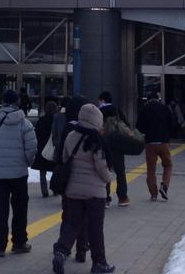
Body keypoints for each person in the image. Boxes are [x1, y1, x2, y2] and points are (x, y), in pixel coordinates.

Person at [51, 103, 116, 274]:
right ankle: (99, 263)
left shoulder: (71, 136)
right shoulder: (96, 140)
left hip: (73, 190)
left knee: (72, 224)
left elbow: (65, 158)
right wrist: (110, 179)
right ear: (97, 120)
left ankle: (60, 252)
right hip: (95, 194)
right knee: (95, 229)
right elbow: (102, 168)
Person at [0, 89, 39, 257]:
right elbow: (32, 148)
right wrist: (26, 162)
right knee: (20, 209)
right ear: (17, 102)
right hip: (19, 174)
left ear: (3, 103)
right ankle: (19, 242)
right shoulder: (25, 124)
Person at [136, 92, 174, 201]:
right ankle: (164, 186)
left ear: (147, 99)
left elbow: (139, 128)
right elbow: (172, 124)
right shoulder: (165, 108)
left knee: (151, 169)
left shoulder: (144, 109)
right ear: (158, 99)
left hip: (150, 143)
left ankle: (153, 194)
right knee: (168, 165)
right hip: (163, 142)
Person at [97, 91, 130, 207]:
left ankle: (105, 198)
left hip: (104, 147)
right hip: (118, 146)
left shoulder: (99, 112)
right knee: (120, 172)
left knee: (105, 171)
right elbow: (127, 125)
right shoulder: (117, 111)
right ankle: (123, 198)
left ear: (102, 100)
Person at [32, 99, 59, 197]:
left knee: (42, 171)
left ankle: (44, 191)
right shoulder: (56, 120)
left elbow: (36, 134)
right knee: (55, 169)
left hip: (42, 149)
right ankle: (55, 189)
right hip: (53, 148)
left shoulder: (41, 121)